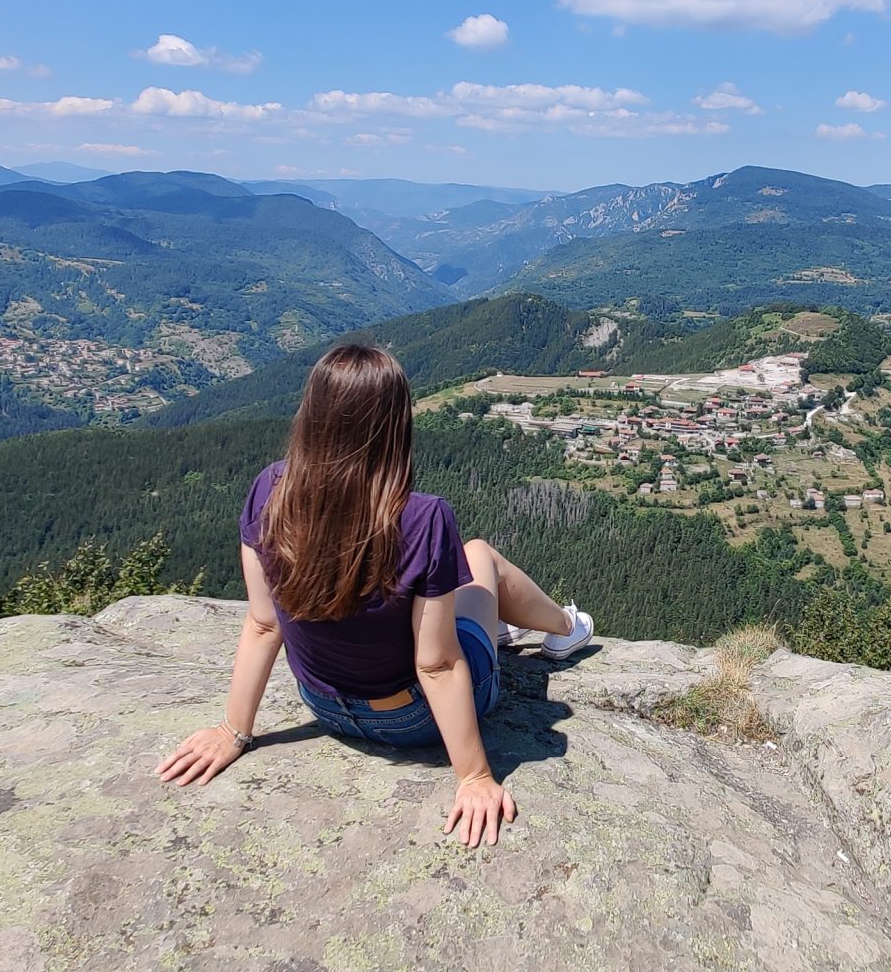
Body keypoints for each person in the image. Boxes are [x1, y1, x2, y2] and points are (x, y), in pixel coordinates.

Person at [157, 343, 593, 847]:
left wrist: (232, 732)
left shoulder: (269, 491)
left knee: (452, 595)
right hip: (413, 718)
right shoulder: (423, 516)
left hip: (322, 704)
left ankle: (508, 628)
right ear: (394, 425)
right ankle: (565, 628)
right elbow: (436, 665)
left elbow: (263, 623)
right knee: (479, 557)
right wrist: (474, 776)